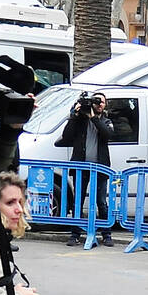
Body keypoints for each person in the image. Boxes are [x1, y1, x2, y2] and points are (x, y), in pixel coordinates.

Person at [55, 92, 115, 246]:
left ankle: (106, 235)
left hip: (100, 168)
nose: (99, 104)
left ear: (105, 105)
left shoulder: (106, 121)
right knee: (78, 201)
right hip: (81, 168)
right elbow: (66, 135)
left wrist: (93, 118)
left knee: (101, 201)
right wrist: (74, 115)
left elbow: (107, 134)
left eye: (101, 101)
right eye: (96, 101)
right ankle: (74, 234)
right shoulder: (79, 121)